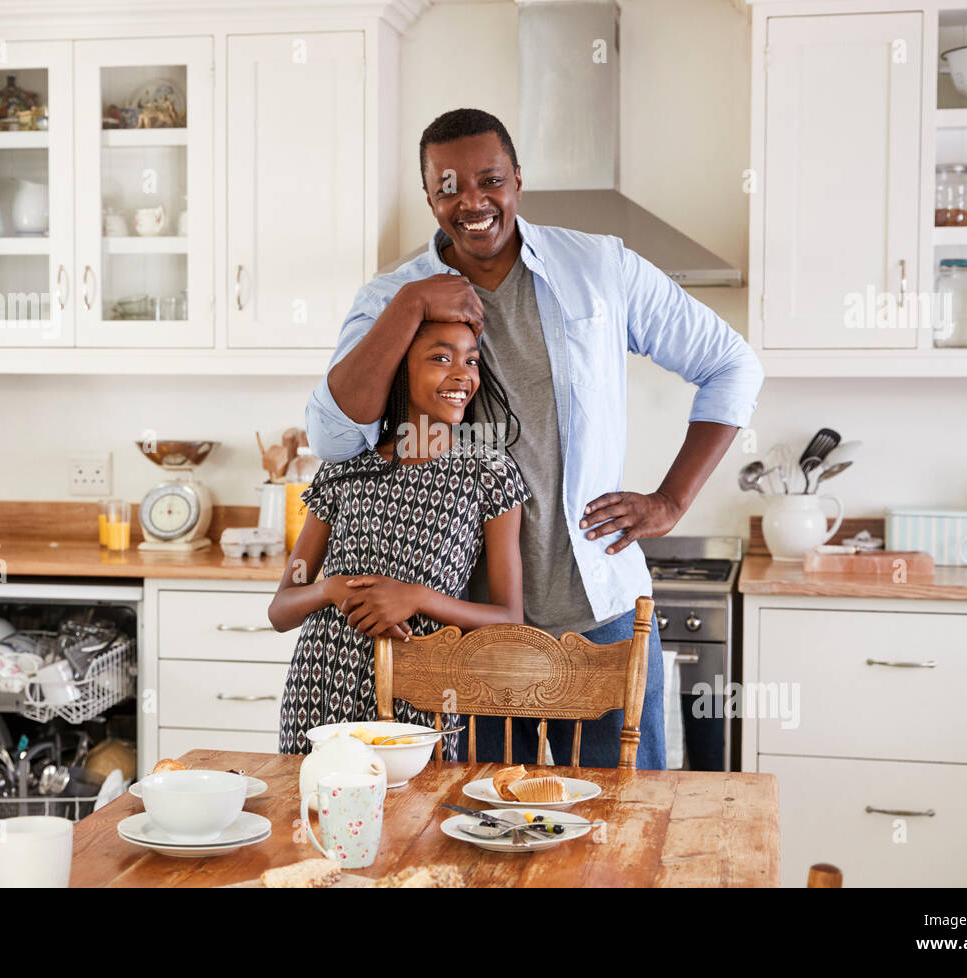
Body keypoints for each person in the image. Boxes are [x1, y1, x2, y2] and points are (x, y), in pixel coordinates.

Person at [305, 108, 764, 770]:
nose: (471, 202)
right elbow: (333, 436)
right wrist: (409, 306)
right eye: (448, 186)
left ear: (517, 179)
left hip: (599, 614)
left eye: (488, 179)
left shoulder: (598, 267)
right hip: (461, 630)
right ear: (429, 196)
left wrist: (671, 501)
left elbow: (731, 365)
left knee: (624, 832)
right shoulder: (390, 297)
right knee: (479, 842)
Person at [270, 319, 530, 759]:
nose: (462, 374)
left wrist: (415, 597)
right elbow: (281, 610)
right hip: (321, 688)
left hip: (426, 697)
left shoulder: (489, 473)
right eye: (440, 357)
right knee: (318, 822)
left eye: (471, 360)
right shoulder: (342, 469)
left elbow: (509, 620)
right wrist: (331, 589)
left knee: (420, 825)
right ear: (398, 368)